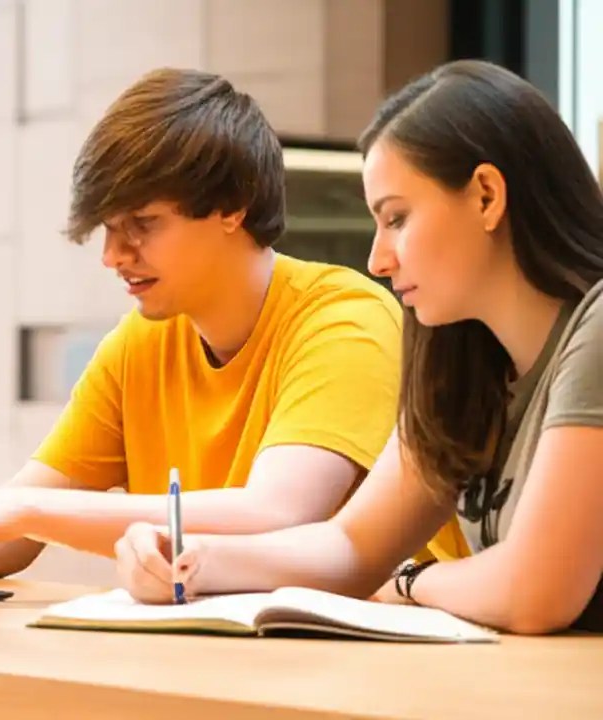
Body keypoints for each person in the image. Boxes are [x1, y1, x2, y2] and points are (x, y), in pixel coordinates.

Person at [0, 67, 418, 582]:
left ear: (234, 206)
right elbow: (7, 540)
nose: (113, 256)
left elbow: (277, 512)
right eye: (108, 229)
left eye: (142, 225)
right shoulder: (140, 342)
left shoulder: (344, 318)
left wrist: (17, 509)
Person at [114, 59, 603, 635]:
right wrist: (193, 559)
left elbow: (534, 591)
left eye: (397, 217)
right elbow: (351, 546)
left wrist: (408, 582)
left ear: (487, 196)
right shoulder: (467, 363)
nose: (378, 260)